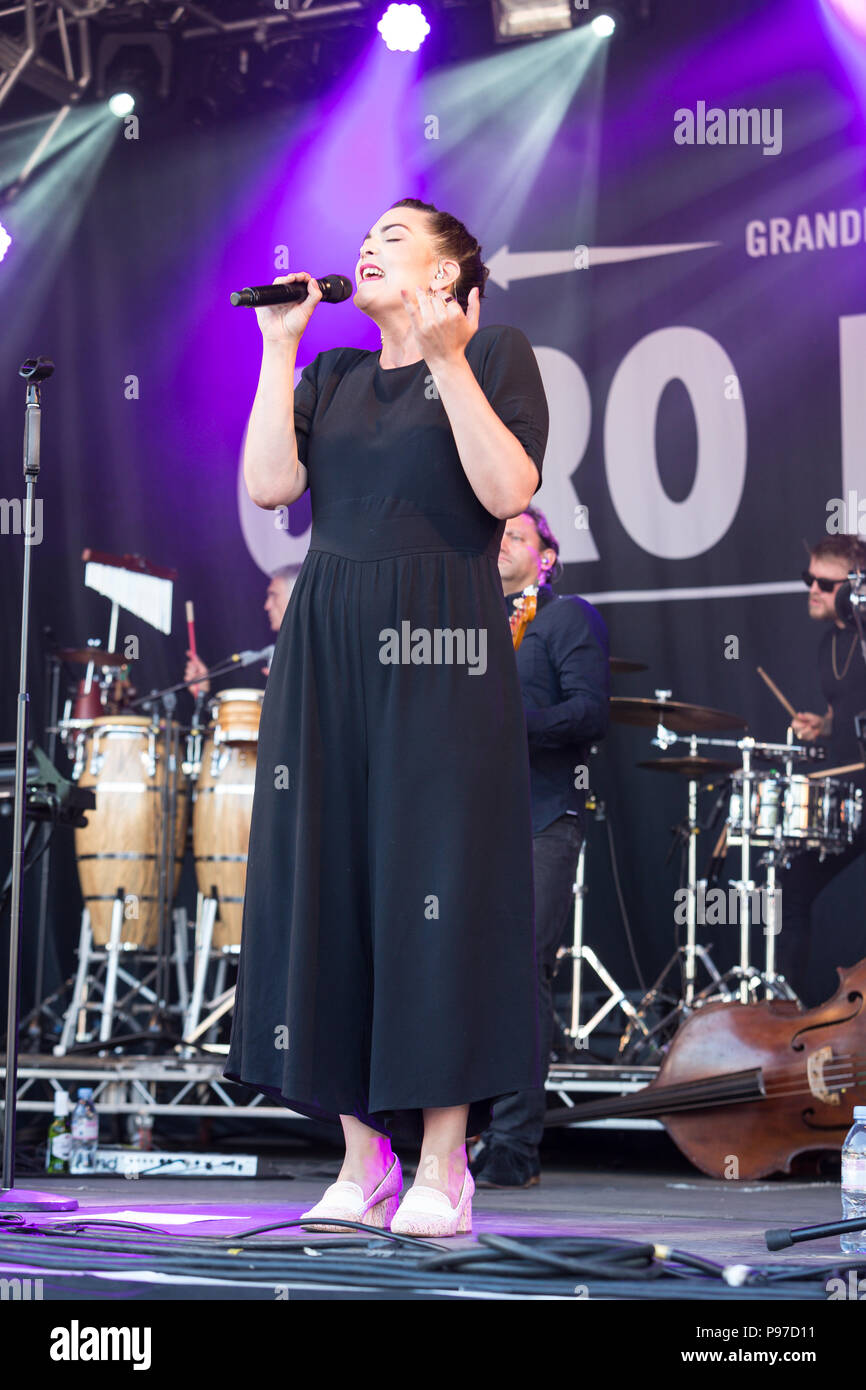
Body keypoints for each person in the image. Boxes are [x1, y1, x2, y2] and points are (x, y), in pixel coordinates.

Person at [222, 198, 550, 1237]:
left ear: (452, 275)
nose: (367, 244)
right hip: (327, 640)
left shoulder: (494, 352)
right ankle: (363, 1157)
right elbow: (271, 484)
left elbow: (506, 489)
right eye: (366, 234)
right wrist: (280, 350)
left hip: (440, 642)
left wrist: (448, 357)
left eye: (396, 236)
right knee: (337, 885)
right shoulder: (329, 376)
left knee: (436, 886)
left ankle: (443, 1163)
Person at [469, 506, 609, 1188]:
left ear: (547, 555)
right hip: (470, 825)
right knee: (464, 974)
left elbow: (590, 711)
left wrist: (512, 722)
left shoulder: (566, 617)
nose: (501, 544)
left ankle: (513, 1146)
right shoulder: (472, 622)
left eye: (516, 535)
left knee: (523, 972)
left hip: (544, 817)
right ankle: (447, 1131)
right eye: (495, 534)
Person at [776, 533, 866, 1000]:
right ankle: (783, 1014)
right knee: (795, 878)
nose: (812, 589)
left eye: (825, 584)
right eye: (808, 579)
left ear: (854, 587)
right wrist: (825, 726)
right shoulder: (828, 644)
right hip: (851, 794)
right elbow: (853, 712)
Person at [183, 566, 298, 693]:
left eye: (274, 595)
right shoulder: (279, 656)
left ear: (299, 598)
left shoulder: (316, 655)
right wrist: (202, 693)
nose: (267, 605)